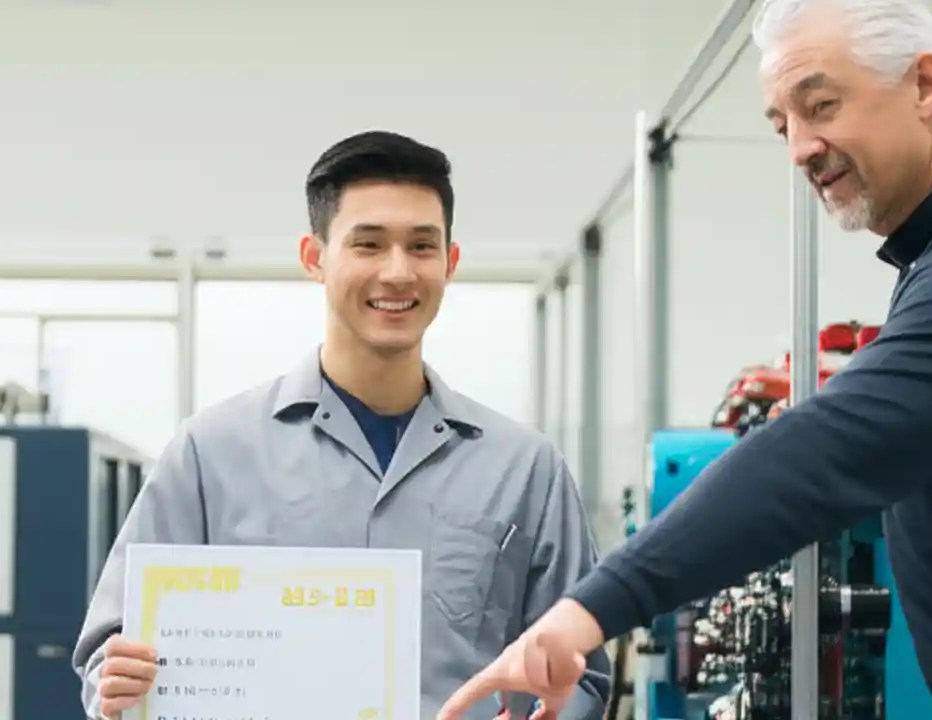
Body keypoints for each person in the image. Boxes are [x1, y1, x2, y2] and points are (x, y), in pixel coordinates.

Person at [437, 1, 932, 719]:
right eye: (784, 126)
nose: (801, 149)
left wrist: (590, 609)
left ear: (925, 86)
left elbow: (818, 455)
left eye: (822, 105)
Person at [72, 130, 611, 720]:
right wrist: (115, 686)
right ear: (314, 257)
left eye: (422, 246)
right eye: (369, 244)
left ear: (450, 263)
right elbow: (111, 645)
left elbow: (582, 672)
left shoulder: (525, 470)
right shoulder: (210, 454)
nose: (398, 272)